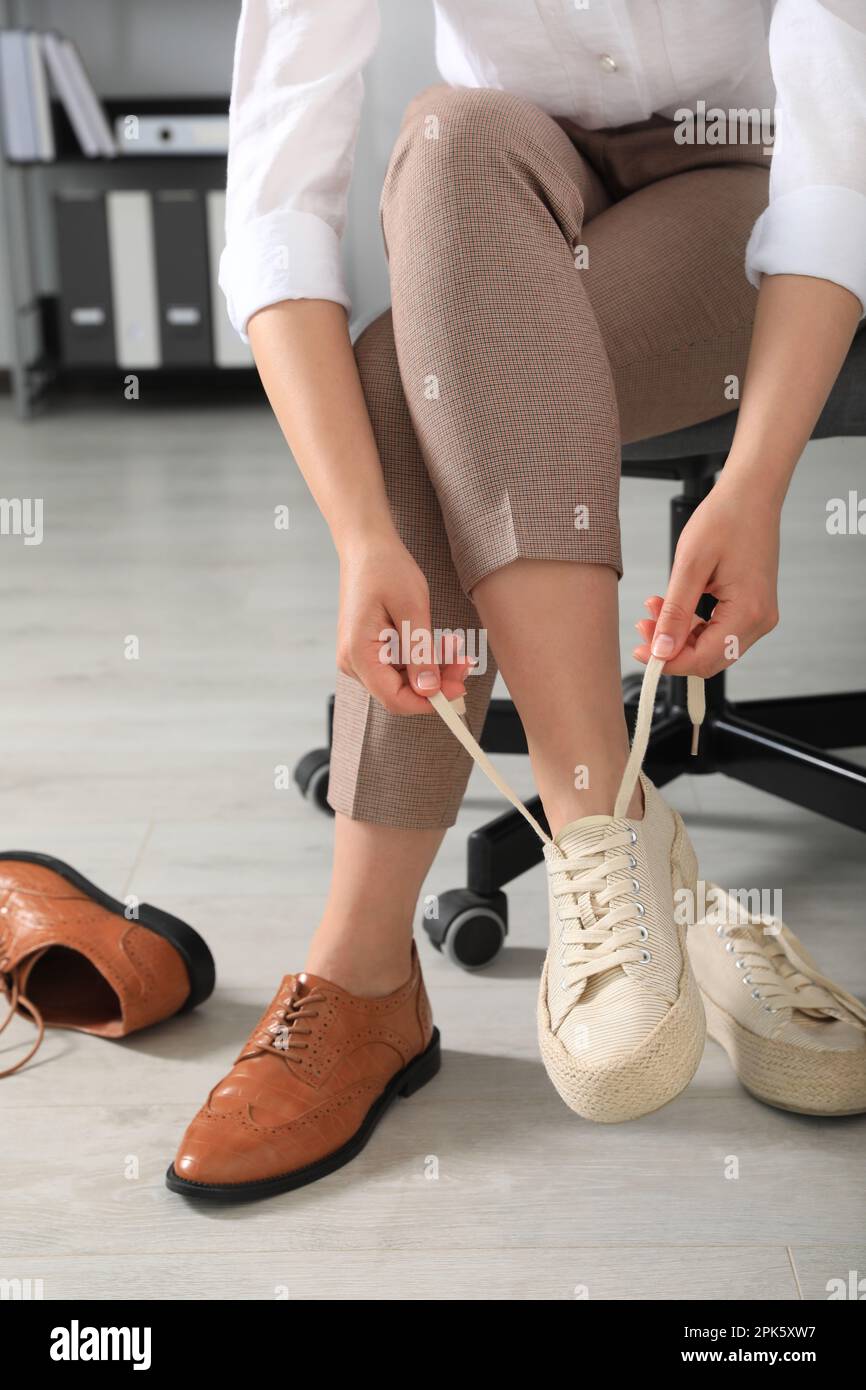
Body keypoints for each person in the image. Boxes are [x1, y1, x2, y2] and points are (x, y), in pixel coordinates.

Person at [166, 1, 866, 1199]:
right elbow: (278, 195)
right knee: (448, 138)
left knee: (413, 396)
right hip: (504, 181)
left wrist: (752, 489)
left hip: (751, 174)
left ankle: (366, 971)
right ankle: (607, 820)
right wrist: (356, 536)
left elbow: (834, 148)